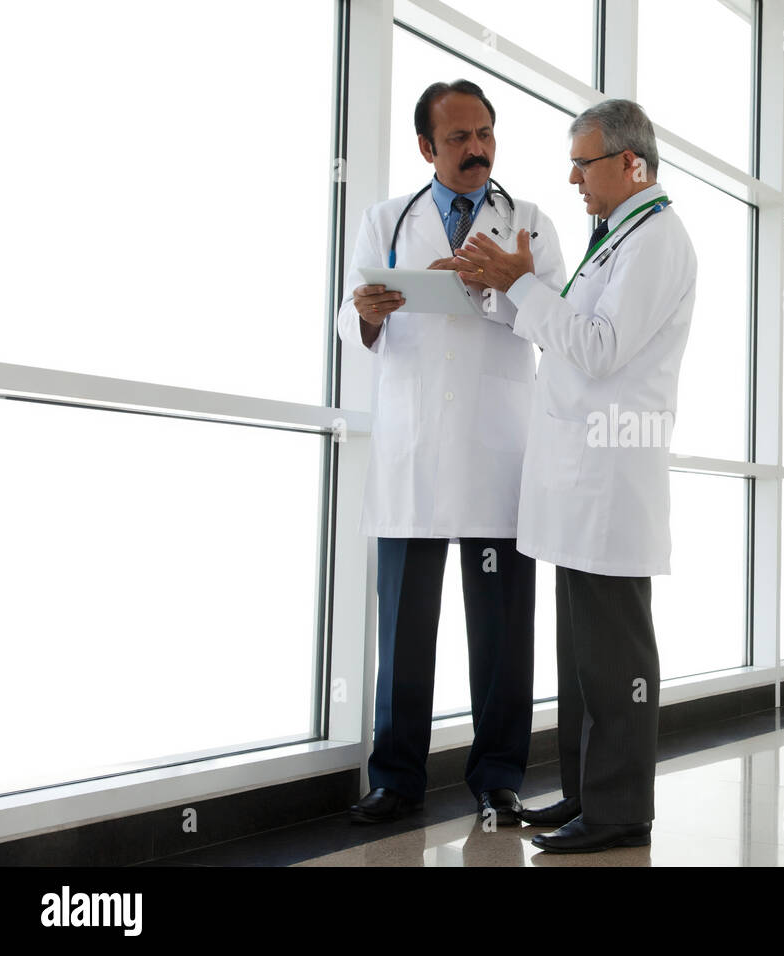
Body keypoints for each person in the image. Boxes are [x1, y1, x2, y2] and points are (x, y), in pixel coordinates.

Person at [455, 98, 697, 853]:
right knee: (585, 656)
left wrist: (523, 286)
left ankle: (621, 812)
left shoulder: (657, 240)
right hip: (578, 477)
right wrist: (511, 286)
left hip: (610, 479)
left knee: (616, 654)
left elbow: (597, 348)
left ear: (631, 163)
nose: (571, 178)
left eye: (583, 162)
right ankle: (588, 795)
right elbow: (570, 330)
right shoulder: (616, 237)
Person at [337, 79, 566, 826]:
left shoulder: (528, 223)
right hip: (414, 452)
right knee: (404, 632)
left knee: (502, 630)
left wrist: (497, 285)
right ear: (427, 147)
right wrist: (365, 316)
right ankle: (396, 779)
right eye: (461, 137)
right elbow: (352, 315)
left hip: (498, 449)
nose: (477, 149)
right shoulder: (385, 220)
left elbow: (556, 326)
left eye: (486, 134)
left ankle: (498, 778)